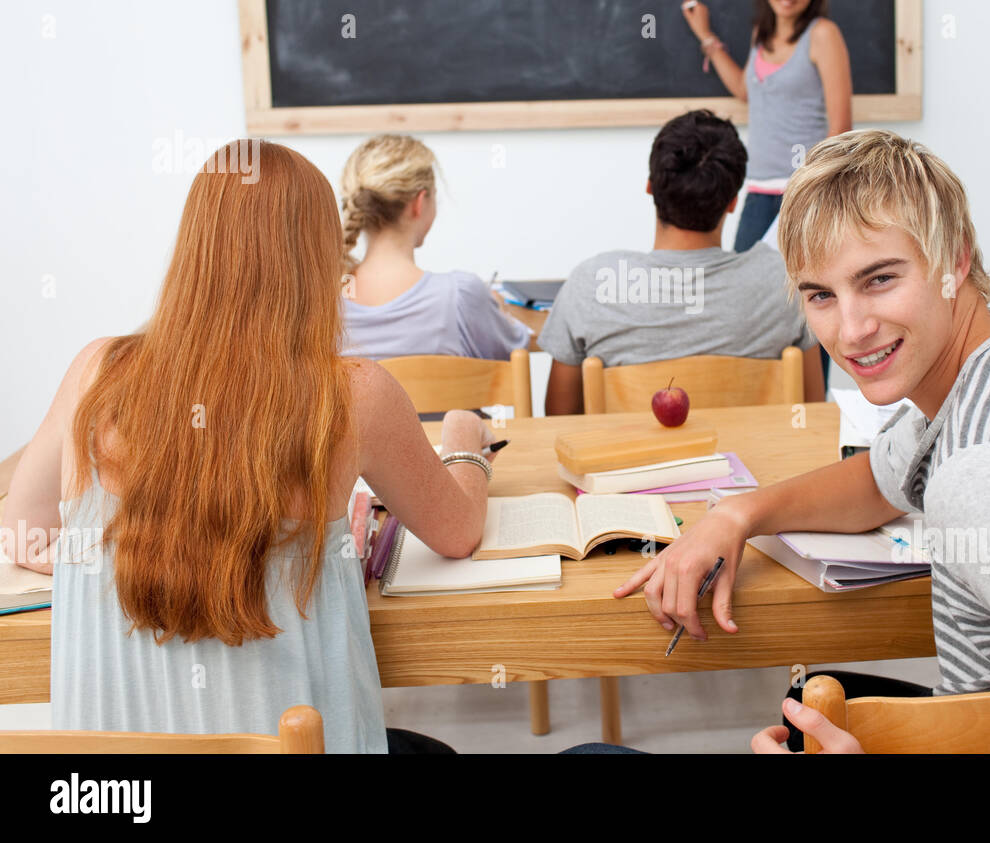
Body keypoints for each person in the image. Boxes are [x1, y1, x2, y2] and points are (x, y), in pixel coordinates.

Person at [615, 129, 990, 755]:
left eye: (879, 279)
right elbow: (879, 481)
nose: (850, 330)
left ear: (954, 259)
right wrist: (736, 513)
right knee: (808, 700)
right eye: (821, 295)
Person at [1, 140, 498, 754]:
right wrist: (464, 442)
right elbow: (457, 532)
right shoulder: (352, 394)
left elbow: (21, 527)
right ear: (317, 262)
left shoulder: (94, 372)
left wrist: (143, 544)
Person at [539, 109, 823, 415]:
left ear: (650, 187)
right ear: (732, 203)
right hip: (752, 463)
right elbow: (813, 412)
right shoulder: (784, 281)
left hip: (627, 464)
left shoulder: (592, 283)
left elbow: (559, 422)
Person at [680, 0, 852, 254]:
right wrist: (705, 36)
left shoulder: (823, 35)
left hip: (803, 191)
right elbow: (746, 91)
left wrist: (815, 191)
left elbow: (841, 127)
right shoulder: (762, 33)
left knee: (802, 293)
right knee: (745, 289)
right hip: (759, 189)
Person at [338, 134, 531, 361]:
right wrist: (496, 309)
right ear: (419, 203)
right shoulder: (461, 296)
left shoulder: (321, 300)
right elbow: (515, 353)